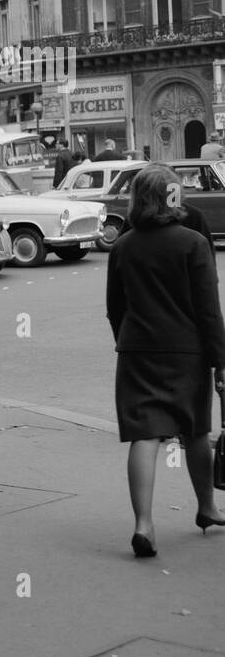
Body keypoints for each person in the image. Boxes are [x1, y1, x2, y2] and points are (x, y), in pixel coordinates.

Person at [106, 164, 225, 558]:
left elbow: (115, 307)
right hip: (186, 353)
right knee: (194, 432)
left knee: (144, 435)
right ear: (174, 197)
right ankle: (207, 507)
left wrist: (128, 340)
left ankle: (144, 524)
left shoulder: (123, 246)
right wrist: (220, 360)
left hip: (138, 351)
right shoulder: (193, 243)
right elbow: (209, 310)